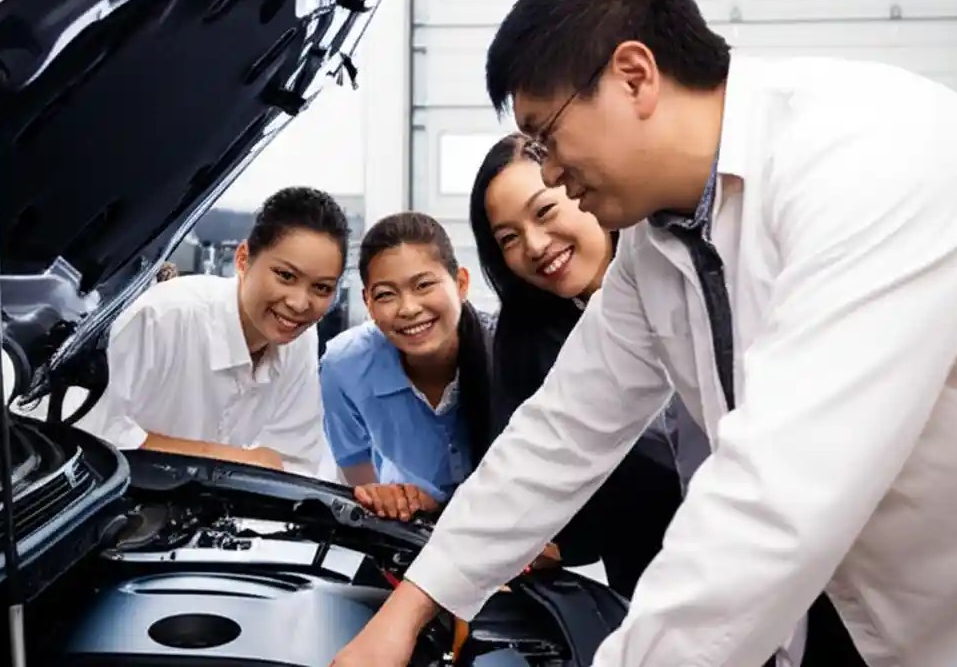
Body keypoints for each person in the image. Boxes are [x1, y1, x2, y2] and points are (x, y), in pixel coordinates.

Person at [333, 0, 957, 667]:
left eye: (546, 137)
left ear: (634, 76)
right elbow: (563, 429)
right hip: (826, 611)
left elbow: (777, 497)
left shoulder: (872, 161)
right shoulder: (656, 243)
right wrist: (411, 609)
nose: (550, 171)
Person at [469, 132, 707, 598]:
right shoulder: (523, 343)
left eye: (544, 212)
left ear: (579, 190)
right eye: (509, 238)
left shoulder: (683, 272)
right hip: (646, 587)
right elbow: (537, 483)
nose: (535, 245)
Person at [78, 186, 349, 477]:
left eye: (321, 288)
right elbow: (85, 436)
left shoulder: (300, 338)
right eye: (285, 276)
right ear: (243, 258)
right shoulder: (159, 318)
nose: (299, 304)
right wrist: (232, 459)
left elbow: (294, 461)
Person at [318, 212, 494, 521]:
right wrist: (386, 499)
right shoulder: (343, 367)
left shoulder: (507, 351)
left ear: (461, 283)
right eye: (386, 295)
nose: (409, 309)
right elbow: (360, 478)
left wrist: (441, 506)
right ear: (368, 303)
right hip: (406, 530)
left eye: (424, 285)